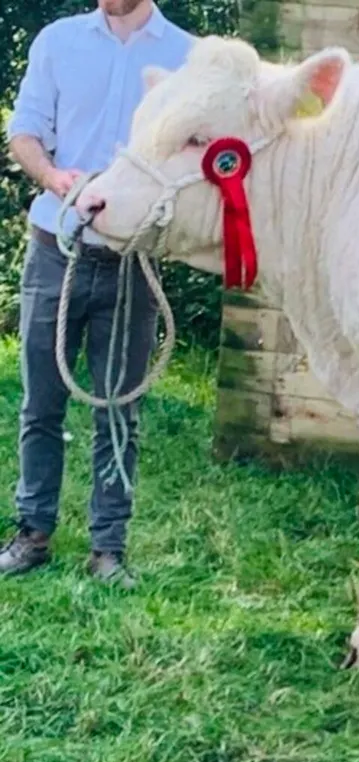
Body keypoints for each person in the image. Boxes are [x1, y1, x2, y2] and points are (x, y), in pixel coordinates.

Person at [1, 1, 194, 584]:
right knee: (40, 405)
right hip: (53, 248)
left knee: (119, 409)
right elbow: (25, 134)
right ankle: (32, 534)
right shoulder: (58, 41)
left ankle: (108, 549)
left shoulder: (184, 55)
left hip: (129, 258)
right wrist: (57, 178)